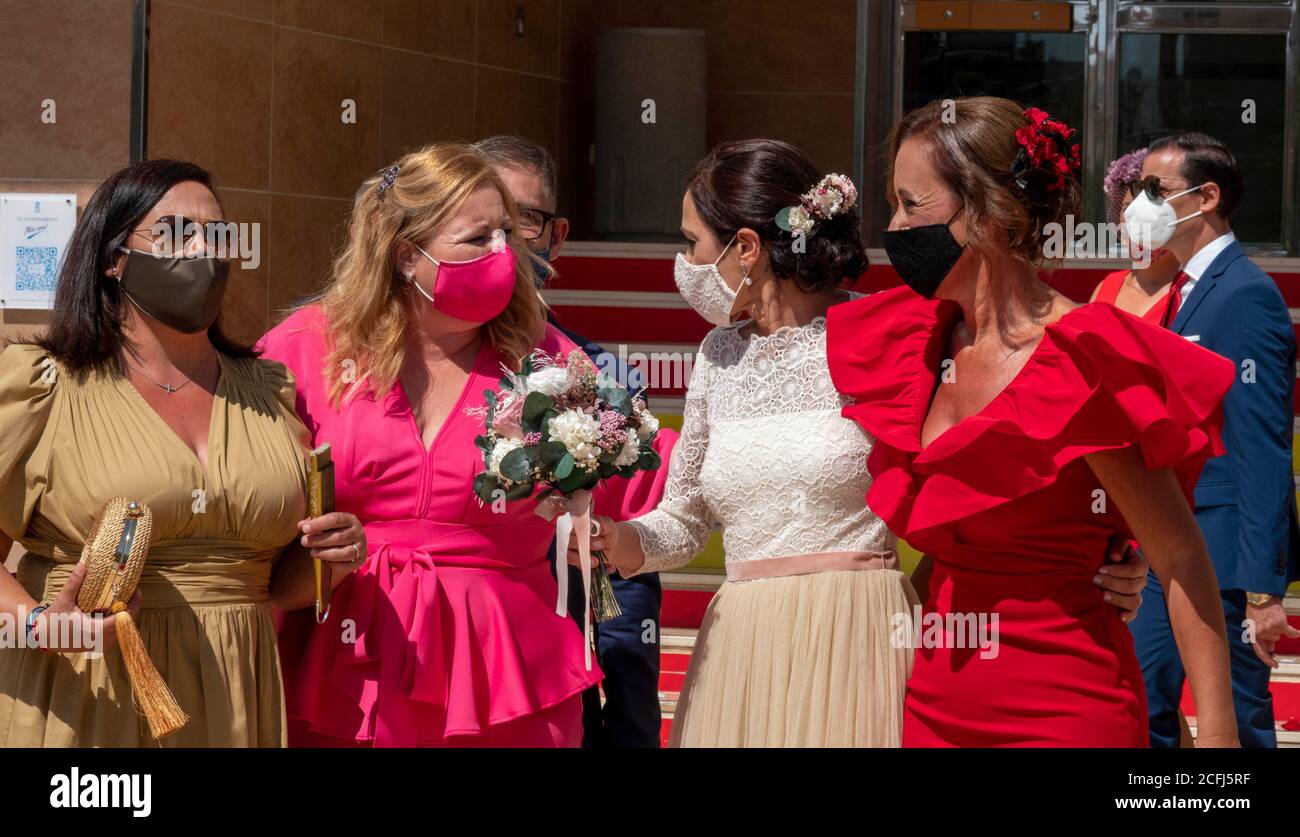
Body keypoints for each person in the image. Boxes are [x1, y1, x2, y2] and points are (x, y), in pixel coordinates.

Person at [567, 138, 1147, 747]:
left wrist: (1112, 549)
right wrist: (617, 540)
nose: (684, 262)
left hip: (863, 637)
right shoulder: (717, 356)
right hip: (741, 646)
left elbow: (1004, 447)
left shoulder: (891, 333)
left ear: (744, 247)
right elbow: (684, 522)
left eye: (691, 243)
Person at [825, 97, 1240, 747]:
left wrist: (1219, 745)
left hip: (1066, 713)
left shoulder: (1082, 355)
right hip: (929, 709)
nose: (894, 226)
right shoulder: (918, 344)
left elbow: (1180, 553)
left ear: (986, 214)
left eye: (911, 203)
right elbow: (954, 547)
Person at [260, 142, 669, 747]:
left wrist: (614, 537)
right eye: (479, 239)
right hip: (349, 666)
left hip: (507, 675)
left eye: (510, 233)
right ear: (405, 254)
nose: (504, 254)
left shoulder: (547, 357)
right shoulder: (307, 347)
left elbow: (647, 484)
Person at [0, 159, 316, 746]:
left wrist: (333, 560)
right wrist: (38, 625)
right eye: (175, 232)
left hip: (235, 699)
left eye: (219, 234)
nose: (202, 248)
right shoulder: (42, 386)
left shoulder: (271, 389)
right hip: (88, 699)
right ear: (113, 259)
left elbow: (284, 583)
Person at [474, 134, 664, 749]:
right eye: (484, 217)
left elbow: (623, 576)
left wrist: (630, 721)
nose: (503, 238)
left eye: (523, 219)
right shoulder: (399, 370)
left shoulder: (599, 381)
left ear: (556, 236)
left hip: (553, 673)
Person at [1126, 132, 1300, 748]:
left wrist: (1262, 589)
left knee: (1237, 719)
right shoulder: (1183, 288)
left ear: (1207, 197)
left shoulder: (1245, 292)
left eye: (1155, 190)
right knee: (1142, 704)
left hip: (1225, 559)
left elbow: (1262, 446)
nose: (1138, 204)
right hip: (1171, 540)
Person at [1089, 148, 1184, 324]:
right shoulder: (1106, 288)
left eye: (1150, 208)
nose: (1136, 220)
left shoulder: (1192, 292)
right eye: (1126, 208)